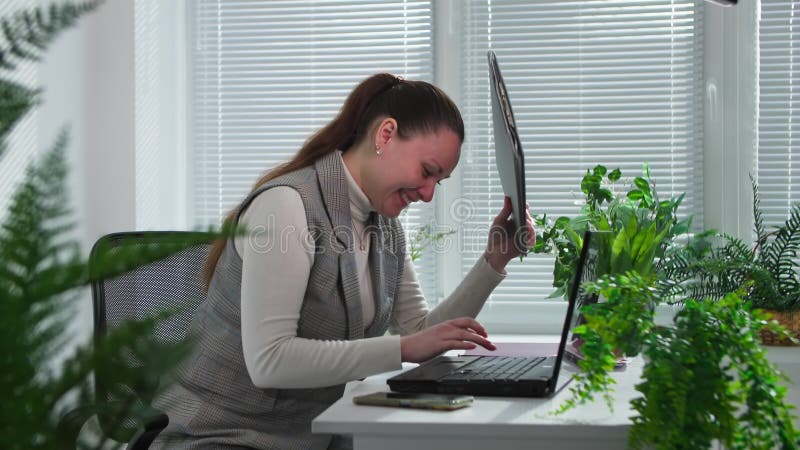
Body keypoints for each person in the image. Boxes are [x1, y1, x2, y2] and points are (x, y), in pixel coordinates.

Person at [150, 73, 535, 449]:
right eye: (427, 172)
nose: (429, 194)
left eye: (440, 181)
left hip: (313, 435)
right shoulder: (286, 207)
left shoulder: (384, 226)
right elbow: (270, 360)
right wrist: (401, 349)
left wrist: (494, 260)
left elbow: (420, 330)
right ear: (385, 135)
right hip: (220, 435)